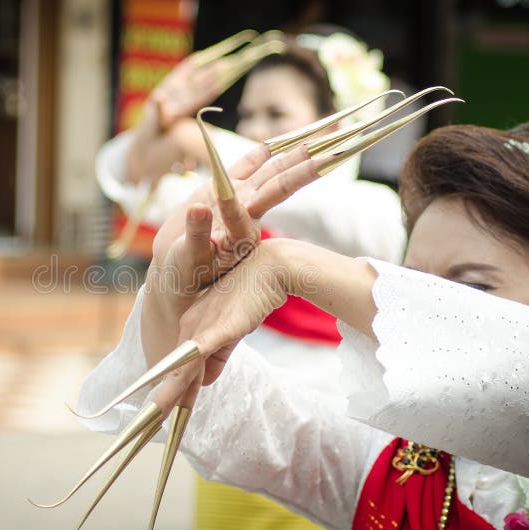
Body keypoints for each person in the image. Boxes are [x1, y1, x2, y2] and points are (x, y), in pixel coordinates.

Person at [77, 120, 529, 529]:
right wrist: (171, 295)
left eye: (472, 291)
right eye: (412, 284)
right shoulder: (384, 462)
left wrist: (288, 266)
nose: (427, 316)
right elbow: (238, 419)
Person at [95, 30, 405, 530]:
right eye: (248, 114)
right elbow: (134, 183)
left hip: (334, 453)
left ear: (338, 123)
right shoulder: (219, 210)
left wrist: (199, 138)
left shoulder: (372, 207)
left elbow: (301, 197)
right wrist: (157, 121)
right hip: (238, 434)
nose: (258, 129)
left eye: (277, 115)